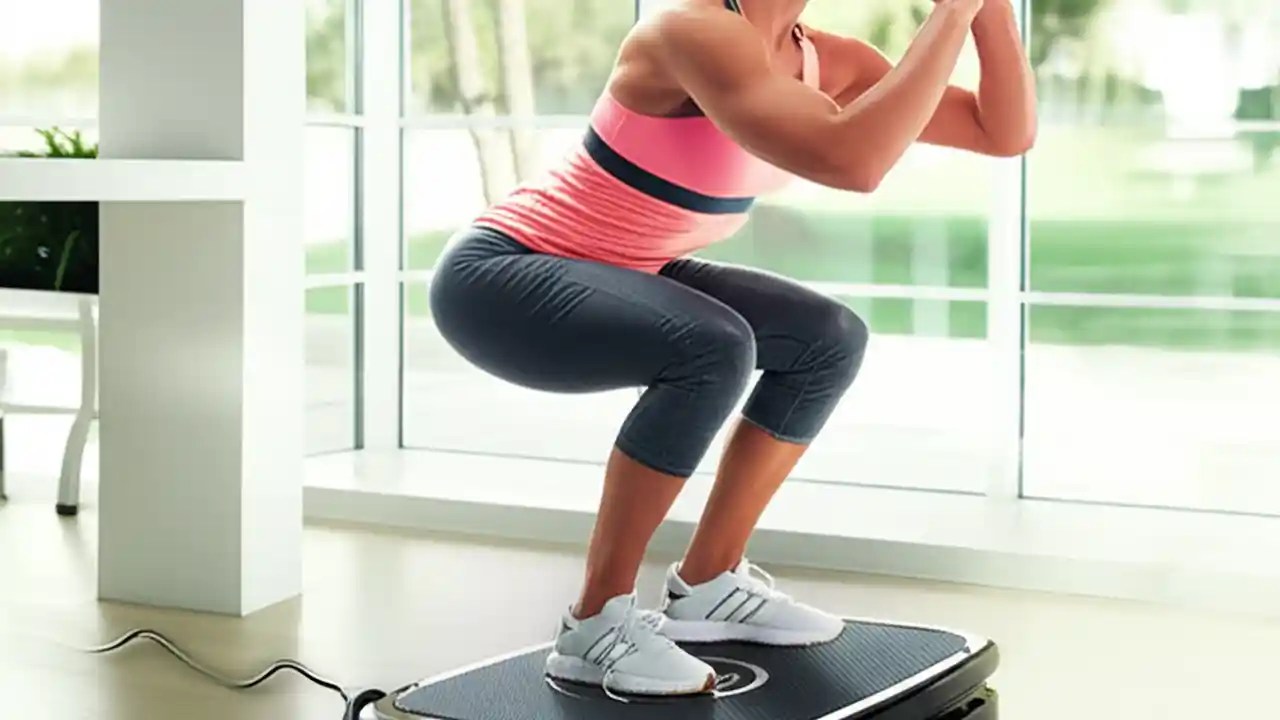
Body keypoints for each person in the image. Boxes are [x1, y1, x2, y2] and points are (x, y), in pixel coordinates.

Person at [429, 0, 1036, 698]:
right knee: (713, 347)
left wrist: (988, 12)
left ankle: (710, 582)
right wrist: (953, 15)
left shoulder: (828, 61)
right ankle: (594, 624)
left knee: (825, 340)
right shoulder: (691, 31)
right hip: (502, 277)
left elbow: (1003, 131)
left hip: (631, 267)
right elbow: (856, 161)